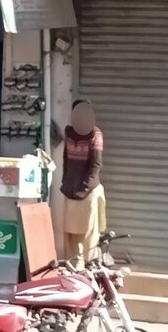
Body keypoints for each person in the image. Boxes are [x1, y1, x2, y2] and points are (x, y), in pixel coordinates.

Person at [61, 100, 105, 266]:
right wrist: (66, 183)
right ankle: (72, 263)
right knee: (70, 232)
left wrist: (85, 187)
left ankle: (87, 263)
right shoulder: (69, 133)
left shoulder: (95, 134)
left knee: (87, 231)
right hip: (70, 189)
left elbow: (96, 164)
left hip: (88, 190)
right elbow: (65, 158)